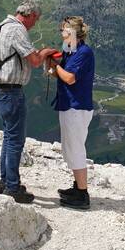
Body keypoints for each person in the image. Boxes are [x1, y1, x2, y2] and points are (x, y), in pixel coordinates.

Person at [0, 0, 57, 204]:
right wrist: (46, 51)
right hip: (10, 91)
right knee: (16, 140)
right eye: (36, 19)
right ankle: (12, 187)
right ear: (30, 15)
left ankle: (5, 181)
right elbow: (35, 60)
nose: (35, 24)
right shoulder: (16, 30)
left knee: (9, 137)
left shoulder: (2, 26)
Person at [46, 16, 96, 209]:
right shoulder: (70, 51)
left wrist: (56, 67)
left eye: (65, 31)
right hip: (69, 104)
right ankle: (77, 187)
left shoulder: (84, 52)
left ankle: (82, 194)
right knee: (70, 147)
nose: (62, 34)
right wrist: (54, 66)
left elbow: (70, 78)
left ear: (73, 33)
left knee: (75, 148)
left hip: (77, 107)